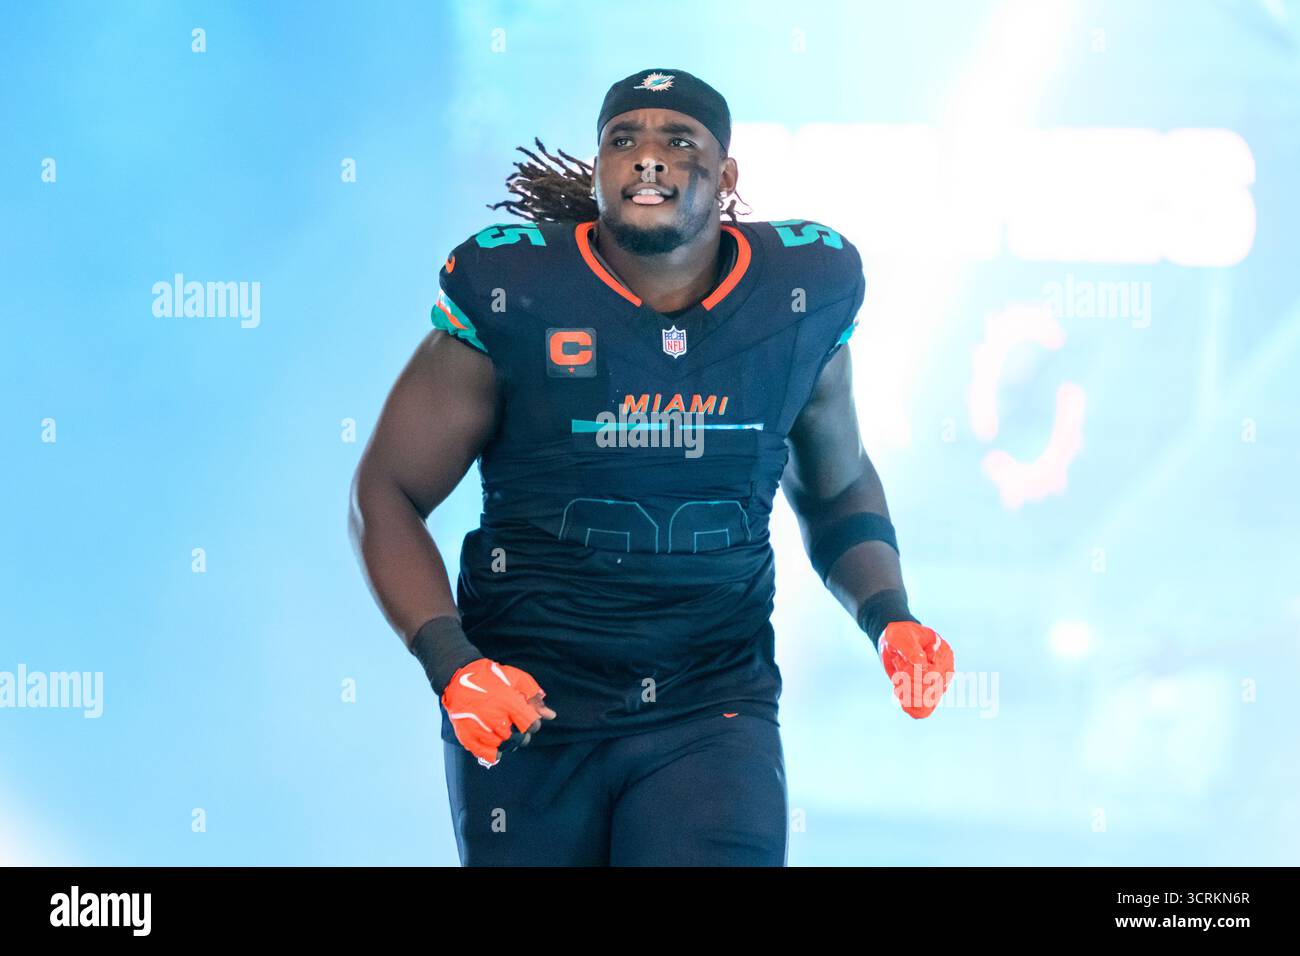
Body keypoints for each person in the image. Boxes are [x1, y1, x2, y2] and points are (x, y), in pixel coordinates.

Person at [348, 68, 955, 866]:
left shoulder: (800, 295)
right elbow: (385, 494)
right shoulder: (516, 292)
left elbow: (836, 486)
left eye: (678, 140)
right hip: (529, 703)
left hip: (712, 702)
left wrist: (890, 615)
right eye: (623, 140)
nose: (648, 158)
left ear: (727, 175)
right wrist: (455, 666)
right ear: (599, 167)